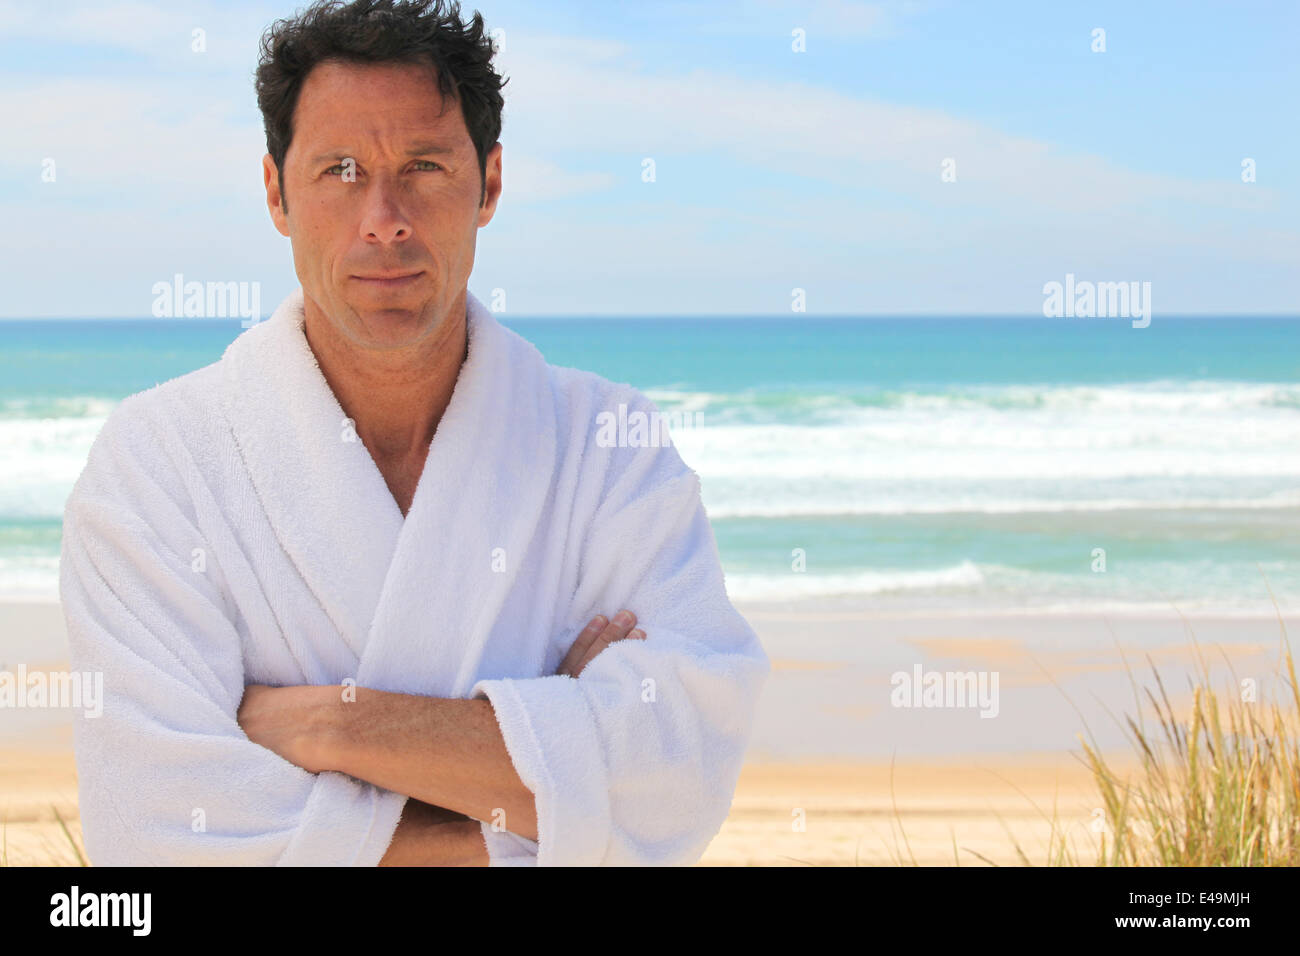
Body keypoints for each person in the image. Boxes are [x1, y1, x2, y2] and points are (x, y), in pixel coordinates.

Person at [60, 0, 769, 866]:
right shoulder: (156, 467)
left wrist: (327, 724)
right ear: (277, 193)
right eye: (342, 171)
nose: (385, 218)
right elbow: (158, 830)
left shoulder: (606, 446)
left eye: (425, 166)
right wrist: (559, 791)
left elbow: (680, 766)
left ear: (491, 185)